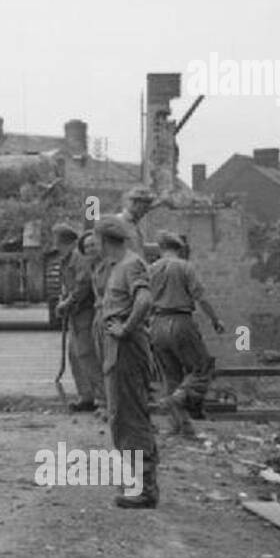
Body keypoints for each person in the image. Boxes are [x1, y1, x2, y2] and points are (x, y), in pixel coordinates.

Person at [97, 216, 159, 509]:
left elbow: (144, 300)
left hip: (126, 349)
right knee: (122, 416)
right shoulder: (119, 266)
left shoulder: (131, 264)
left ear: (102, 241)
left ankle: (143, 488)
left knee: (129, 416)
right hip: (118, 349)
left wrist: (126, 328)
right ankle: (137, 482)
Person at [148, 230, 225, 437]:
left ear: (161, 249)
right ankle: (179, 397)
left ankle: (181, 427)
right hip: (180, 321)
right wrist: (215, 319)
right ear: (180, 249)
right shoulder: (184, 267)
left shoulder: (151, 269)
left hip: (156, 323)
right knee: (202, 367)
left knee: (170, 376)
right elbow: (201, 297)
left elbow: (143, 299)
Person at [54, 226, 105, 412]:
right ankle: (86, 397)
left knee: (87, 355)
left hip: (85, 312)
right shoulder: (65, 260)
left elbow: (83, 285)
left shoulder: (78, 258)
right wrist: (63, 299)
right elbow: (68, 285)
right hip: (74, 314)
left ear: (64, 242)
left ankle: (103, 399)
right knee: (75, 356)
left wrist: (67, 302)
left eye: (57, 242)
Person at [116, 185, 157, 260]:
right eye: (144, 207)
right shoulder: (117, 222)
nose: (146, 211)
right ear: (134, 203)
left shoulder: (136, 226)